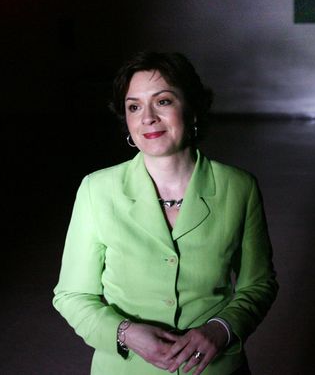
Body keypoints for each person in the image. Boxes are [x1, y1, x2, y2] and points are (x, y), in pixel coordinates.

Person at [53, 51, 278, 375]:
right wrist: (124, 333)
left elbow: (259, 284)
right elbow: (72, 295)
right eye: (134, 107)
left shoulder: (239, 187)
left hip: (213, 368)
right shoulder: (97, 189)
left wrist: (222, 328)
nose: (147, 117)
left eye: (163, 101)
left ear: (192, 108)